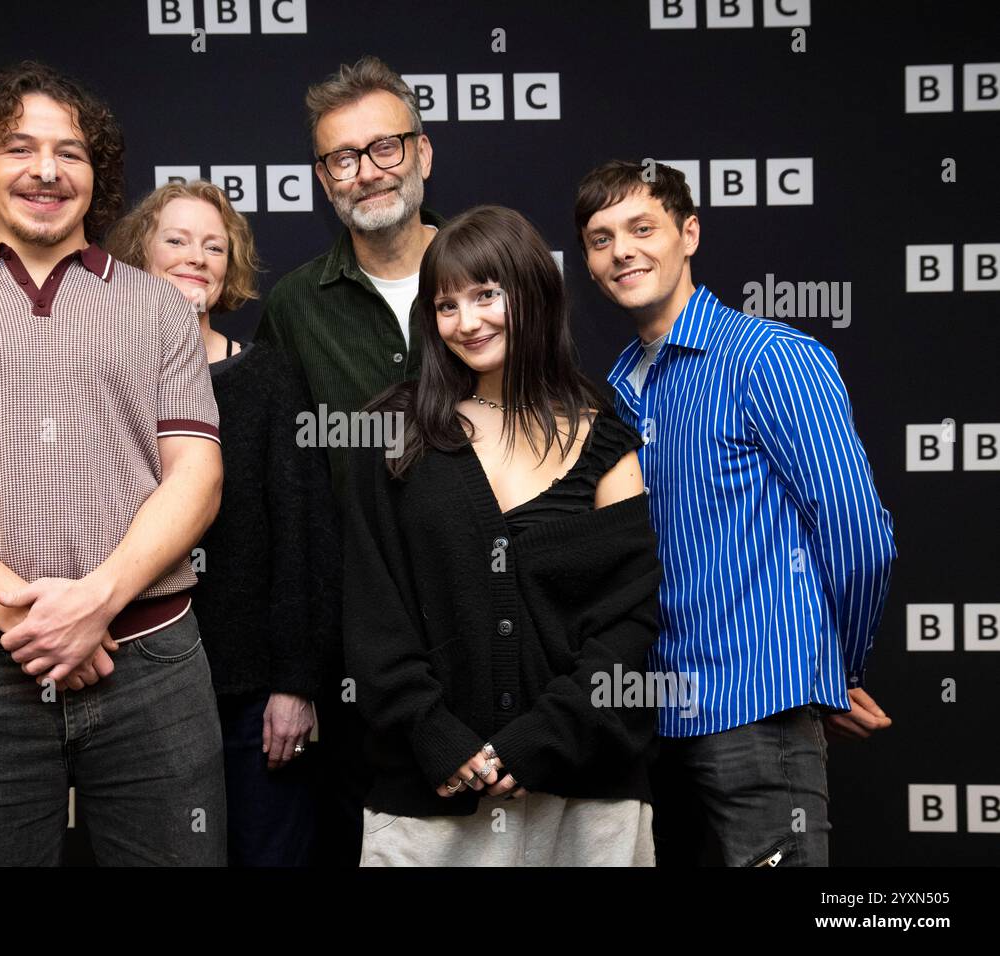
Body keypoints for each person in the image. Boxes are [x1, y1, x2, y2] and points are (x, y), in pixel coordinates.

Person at [0, 61, 227, 866]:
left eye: (72, 152)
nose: (47, 171)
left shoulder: (159, 305)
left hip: (152, 662)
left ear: (98, 174)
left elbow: (196, 477)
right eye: (19, 148)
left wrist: (98, 599)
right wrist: (31, 620)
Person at [575, 159, 897, 867]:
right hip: (651, 727)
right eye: (601, 238)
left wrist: (834, 669)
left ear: (689, 233)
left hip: (758, 715)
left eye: (642, 227)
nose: (621, 249)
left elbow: (856, 532)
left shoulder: (770, 359)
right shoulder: (617, 393)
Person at [343, 205, 663, 866]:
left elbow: (628, 624)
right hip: (431, 798)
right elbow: (374, 614)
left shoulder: (608, 441)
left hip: (584, 797)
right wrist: (436, 735)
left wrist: (539, 741)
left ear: (533, 294)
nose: (468, 322)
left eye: (486, 295)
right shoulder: (395, 432)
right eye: (446, 305)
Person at [106, 180, 340, 866]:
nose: (196, 257)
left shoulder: (266, 378)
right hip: (131, 685)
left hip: (250, 697)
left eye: (214, 245)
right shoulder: (100, 378)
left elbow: (304, 534)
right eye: (175, 240)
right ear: (138, 257)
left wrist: (295, 684)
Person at [254, 54, 441, 864]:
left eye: (385, 148)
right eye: (342, 158)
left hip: (495, 633)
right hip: (355, 657)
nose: (366, 173)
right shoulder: (295, 306)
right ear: (323, 178)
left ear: (424, 154)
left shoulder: (495, 273)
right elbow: (280, 491)